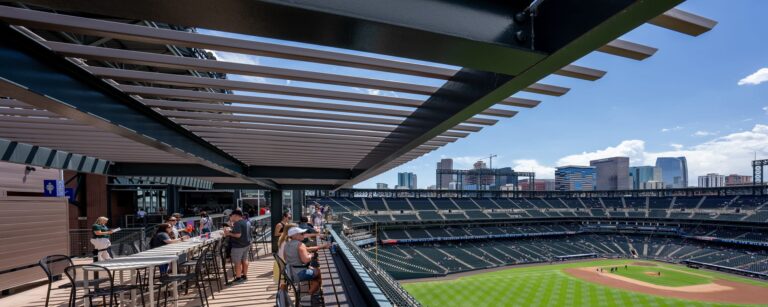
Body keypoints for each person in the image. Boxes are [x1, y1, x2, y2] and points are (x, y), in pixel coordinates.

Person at [283, 227, 331, 302]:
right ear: (295, 235)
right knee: (321, 273)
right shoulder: (300, 244)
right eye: (302, 234)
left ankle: (312, 290)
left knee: (314, 272)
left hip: (290, 273)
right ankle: (309, 295)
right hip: (298, 274)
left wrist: (321, 247)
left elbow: (286, 258)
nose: (304, 235)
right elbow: (305, 260)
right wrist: (311, 255)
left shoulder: (287, 244)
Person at [225, 210, 252, 284]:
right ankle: (244, 276)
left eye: (232, 215)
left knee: (237, 262)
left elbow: (238, 235)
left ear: (236, 216)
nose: (231, 217)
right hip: (246, 244)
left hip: (238, 246)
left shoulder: (237, 223)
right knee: (245, 260)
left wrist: (229, 233)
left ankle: (238, 278)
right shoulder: (247, 222)